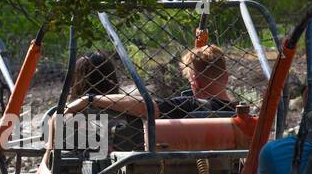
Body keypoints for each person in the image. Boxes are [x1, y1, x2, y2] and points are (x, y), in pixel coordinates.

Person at [65, 42, 236, 118]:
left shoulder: (190, 105)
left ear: (195, 84)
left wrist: (90, 98)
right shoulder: (239, 113)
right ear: (226, 77)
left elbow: (149, 107)